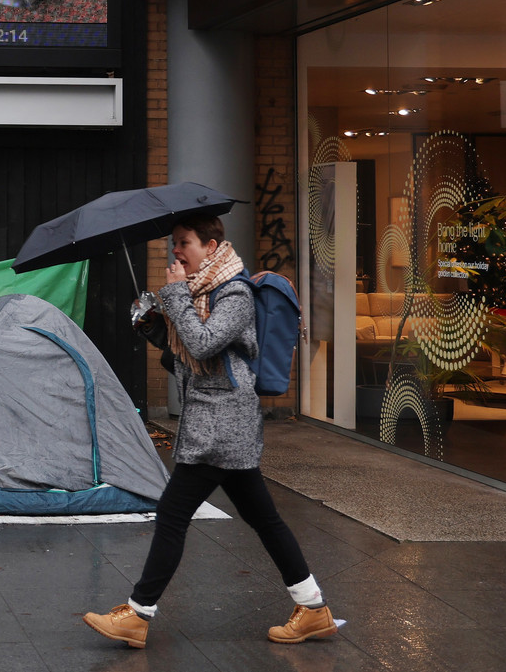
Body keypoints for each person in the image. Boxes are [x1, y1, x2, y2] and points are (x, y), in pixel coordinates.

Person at [82, 212, 340, 649]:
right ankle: (313, 607)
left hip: (221, 427)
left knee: (172, 515)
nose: (176, 252)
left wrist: (175, 296)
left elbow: (203, 343)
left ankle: (139, 613)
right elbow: (191, 354)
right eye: (174, 244)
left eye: (184, 243)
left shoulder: (233, 292)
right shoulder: (202, 293)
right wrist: (156, 328)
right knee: (264, 519)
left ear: (211, 246)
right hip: (217, 424)